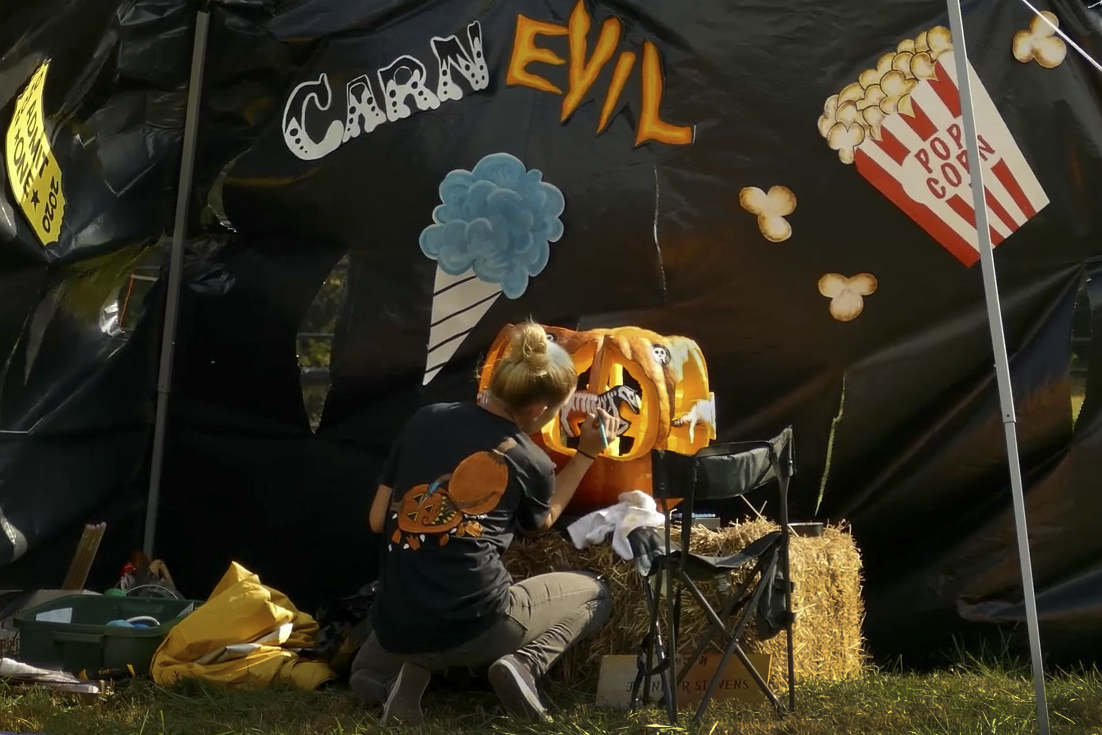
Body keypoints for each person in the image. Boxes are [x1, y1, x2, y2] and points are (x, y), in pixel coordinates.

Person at [349, 321, 615, 725]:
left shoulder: (424, 420)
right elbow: (540, 524)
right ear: (539, 409)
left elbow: (375, 520)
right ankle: (524, 664)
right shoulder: (532, 460)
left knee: (362, 675)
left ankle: (399, 685)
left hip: (398, 621)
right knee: (597, 593)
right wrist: (585, 455)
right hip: (478, 623)